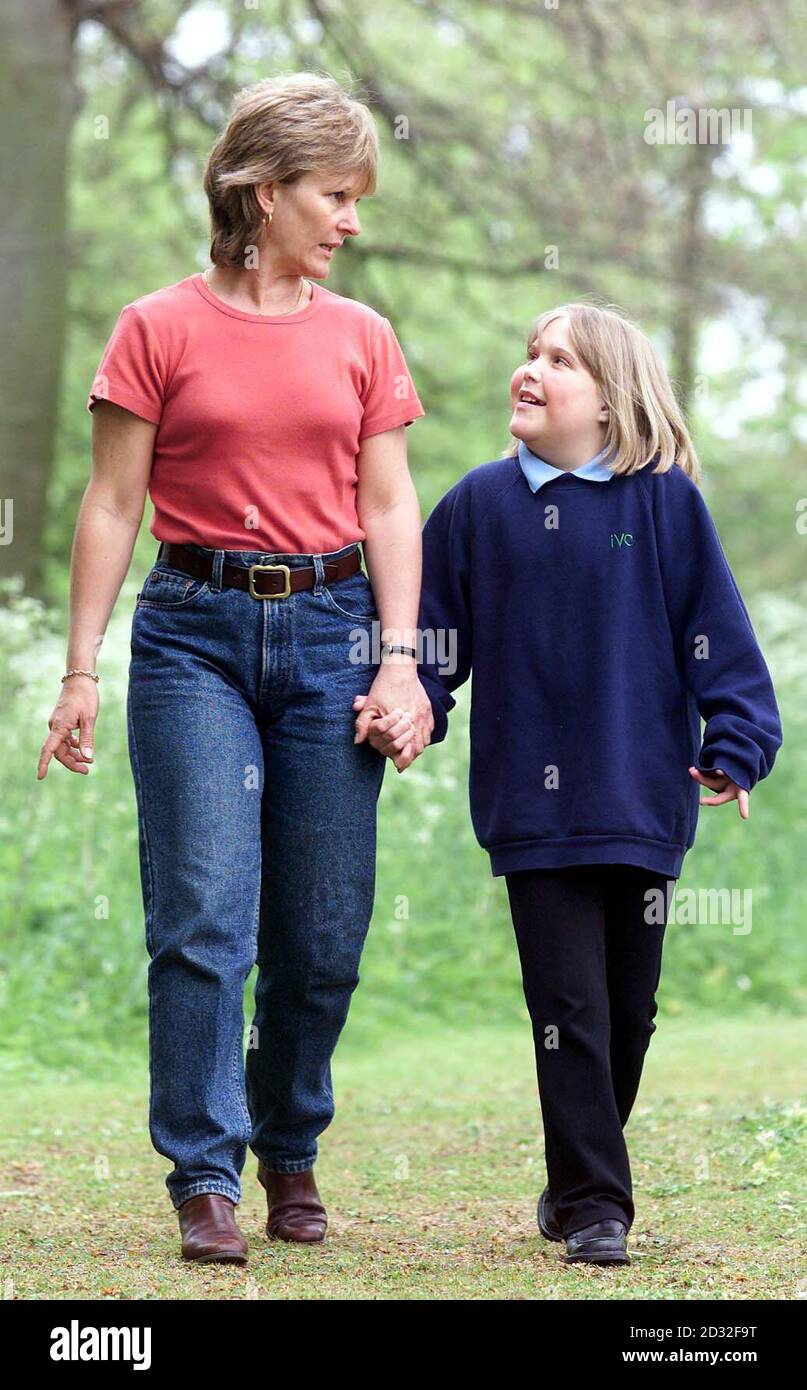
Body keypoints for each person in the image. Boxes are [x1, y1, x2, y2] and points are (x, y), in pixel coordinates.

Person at [37, 71, 433, 1266]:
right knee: (204, 914)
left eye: (357, 198)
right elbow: (112, 505)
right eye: (335, 194)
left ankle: (291, 1139)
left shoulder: (362, 336)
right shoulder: (156, 326)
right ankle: (205, 1173)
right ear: (260, 190)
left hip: (331, 630)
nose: (351, 220)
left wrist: (403, 660)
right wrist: (79, 671)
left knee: (321, 930)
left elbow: (390, 503)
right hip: (192, 635)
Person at [354, 301, 783, 1267]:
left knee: (628, 1011)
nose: (531, 369)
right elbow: (430, 640)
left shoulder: (664, 504)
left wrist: (738, 738)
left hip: (641, 799)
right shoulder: (476, 506)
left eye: (559, 360)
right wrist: (410, 706)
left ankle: (572, 1177)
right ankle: (597, 1205)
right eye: (529, 352)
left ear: (610, 400)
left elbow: (714, 633)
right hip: (531, 806)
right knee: (569, 1009)